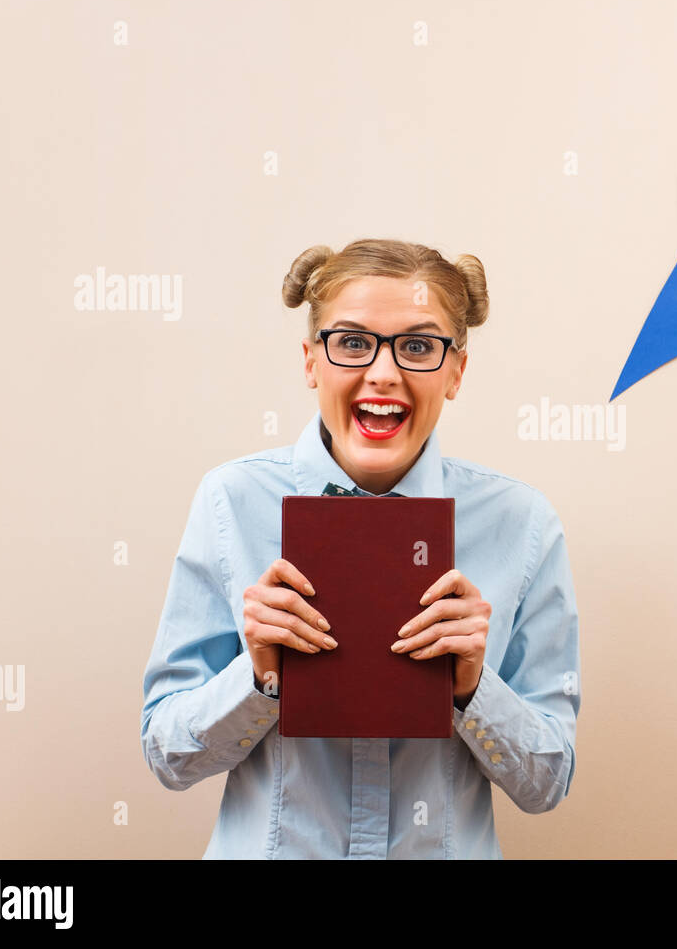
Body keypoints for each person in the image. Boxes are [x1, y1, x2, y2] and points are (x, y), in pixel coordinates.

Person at [140, 238, 581, 858]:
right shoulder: (231, 502)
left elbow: (548, 781)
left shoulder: (521, 522)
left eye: (419, 346)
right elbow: (167, 755)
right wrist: (259, 676)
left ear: (456, 371)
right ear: (310, 361)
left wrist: (472, 688)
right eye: (351, 342)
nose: (383, 373)